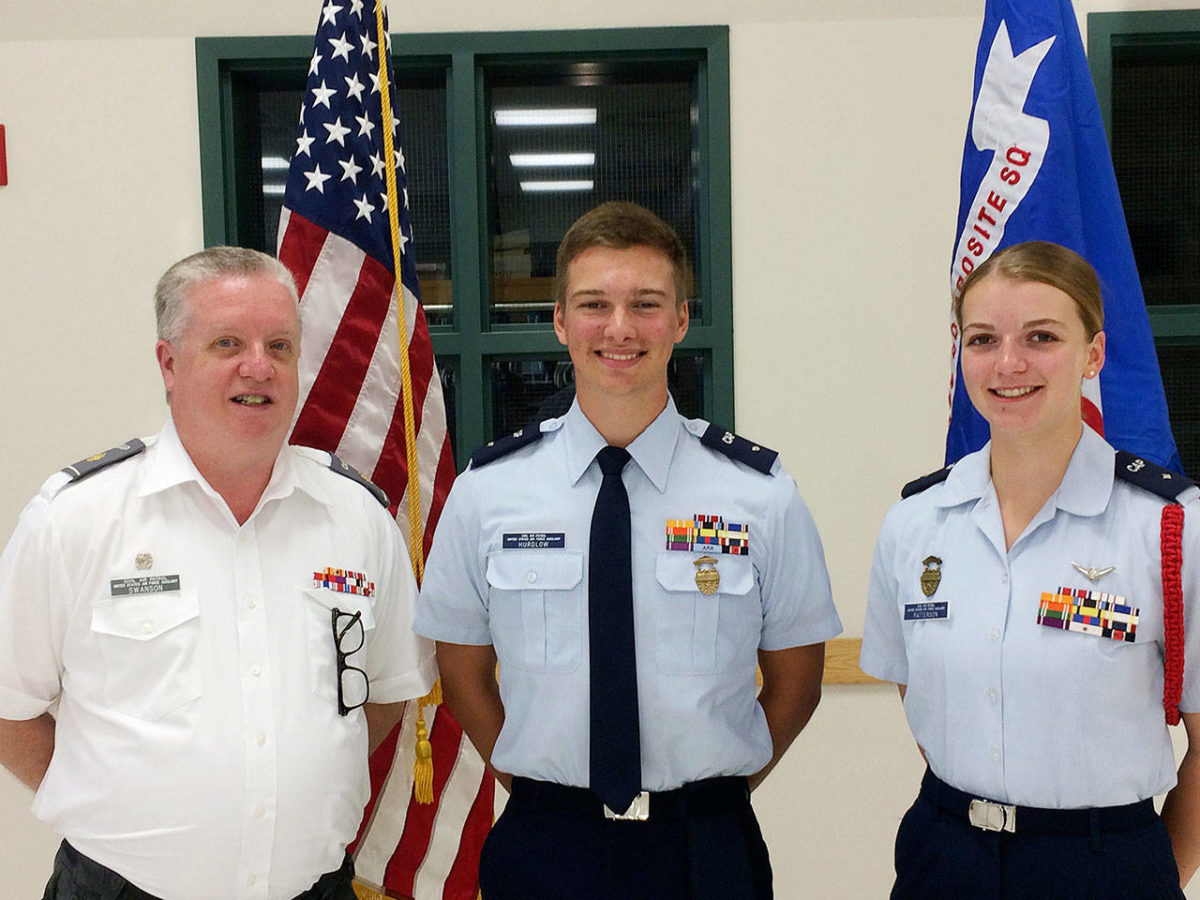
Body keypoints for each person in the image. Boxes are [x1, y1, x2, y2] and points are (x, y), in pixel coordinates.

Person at [414, 201, 842, 899]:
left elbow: (797, 679)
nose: (619, 328)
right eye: (594, 305)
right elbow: (462, 671)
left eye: (646, 304)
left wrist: (712, 792)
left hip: (703, 847)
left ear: (679, 320)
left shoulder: (759, 495)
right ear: (559, 321)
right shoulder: (489, 492)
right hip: (546, 843)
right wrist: (537, 785)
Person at [0, 247, 437, 900]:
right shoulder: (77, 519)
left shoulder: (355, 517)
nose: (257, 366)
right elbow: (10, 708)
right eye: (227, 342)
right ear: (169, 363)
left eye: (280, 346)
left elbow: (382, 691)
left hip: (313, 888)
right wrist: (111, 804)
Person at [860, 240, 1200, 898]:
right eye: (983, 339)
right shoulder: (917, 522)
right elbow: (920, 695)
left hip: (1104, 863)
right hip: (946, 853)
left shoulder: (1170, 526)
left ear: (1093, 354)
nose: (1009, 363)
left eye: (1041, 336)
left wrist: (1152, 877)